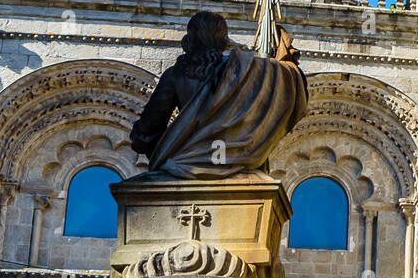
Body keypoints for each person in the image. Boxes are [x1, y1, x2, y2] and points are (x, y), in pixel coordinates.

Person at [130, 11, 308, 181]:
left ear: (189, 41)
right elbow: (292, 78)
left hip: (183, 164)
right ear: (224, 41)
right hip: (234, 160)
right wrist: (282, 62)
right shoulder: (247, 71)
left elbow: (144, 135)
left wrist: (172, 153)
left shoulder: (175, 75)